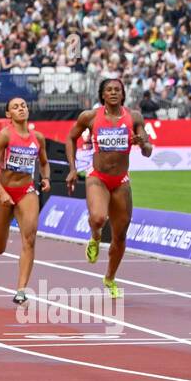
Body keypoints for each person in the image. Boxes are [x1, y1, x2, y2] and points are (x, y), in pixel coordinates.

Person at [64, 78, 154, 297]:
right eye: (109, 90)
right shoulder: (90, 117)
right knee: (98, 218)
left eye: (117, 90)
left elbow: (148, 150)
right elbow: (70, 138)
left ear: (123, 94)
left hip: (121, 181)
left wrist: (141, 142)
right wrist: (73, 168)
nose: (113, 93)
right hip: (98, 177)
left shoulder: (134, 117)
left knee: (120, 235)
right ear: (102, 95)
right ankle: (95, 237)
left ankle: (110, 278)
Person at [0, 97, 49, 305]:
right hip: (2, 191)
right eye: (15, 107)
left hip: (26, 191)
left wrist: (46, 178)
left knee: (29, 238)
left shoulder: (38, 138)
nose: (21, 109)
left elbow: (44, 162)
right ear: (8, 114)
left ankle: (21, 290)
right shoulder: (5, 135)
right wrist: (1, 192)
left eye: (23, 106)